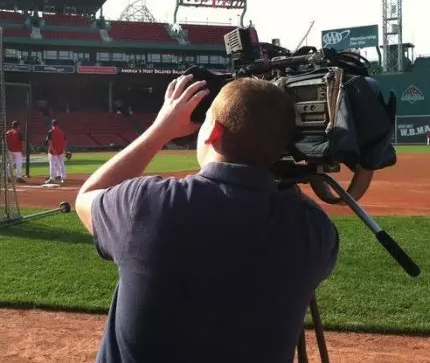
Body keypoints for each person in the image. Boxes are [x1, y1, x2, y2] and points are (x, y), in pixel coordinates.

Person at [75, 75, 339, 363]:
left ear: (213, 131)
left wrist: (160, 130)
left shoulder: (145, 203)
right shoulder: (314, 232)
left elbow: (87, 197)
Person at [45, 119, 67, 184]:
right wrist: (65, 149)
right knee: (61, 164)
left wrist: (53, 150)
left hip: (52, 151)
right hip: (61, 150)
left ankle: (52, 178)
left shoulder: (50, 131)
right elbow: (65, 141)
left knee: (52, 164)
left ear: (52, 125)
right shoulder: (62, 132)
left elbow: (49, 142)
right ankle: (62, 177)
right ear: (57, 124)